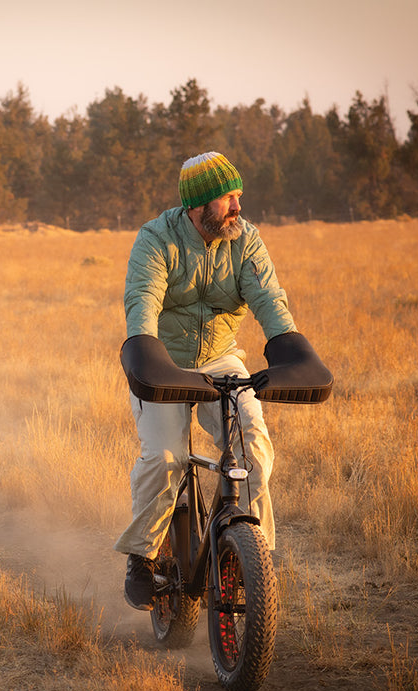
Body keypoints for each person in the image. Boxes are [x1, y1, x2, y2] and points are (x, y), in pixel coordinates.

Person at [118, 151, 298, 610]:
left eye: (238, 195)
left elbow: (269, 298)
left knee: (254, 446)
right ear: (197, 206)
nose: (238, 206)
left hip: (221, 359)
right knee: (166, 458)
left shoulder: (245, 239)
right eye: (227, 198)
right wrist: (144, 352)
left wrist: (290, 348)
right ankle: (143, 557)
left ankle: (253, 558)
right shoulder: (156, 239)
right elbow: (142, 300)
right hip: (162, 361)